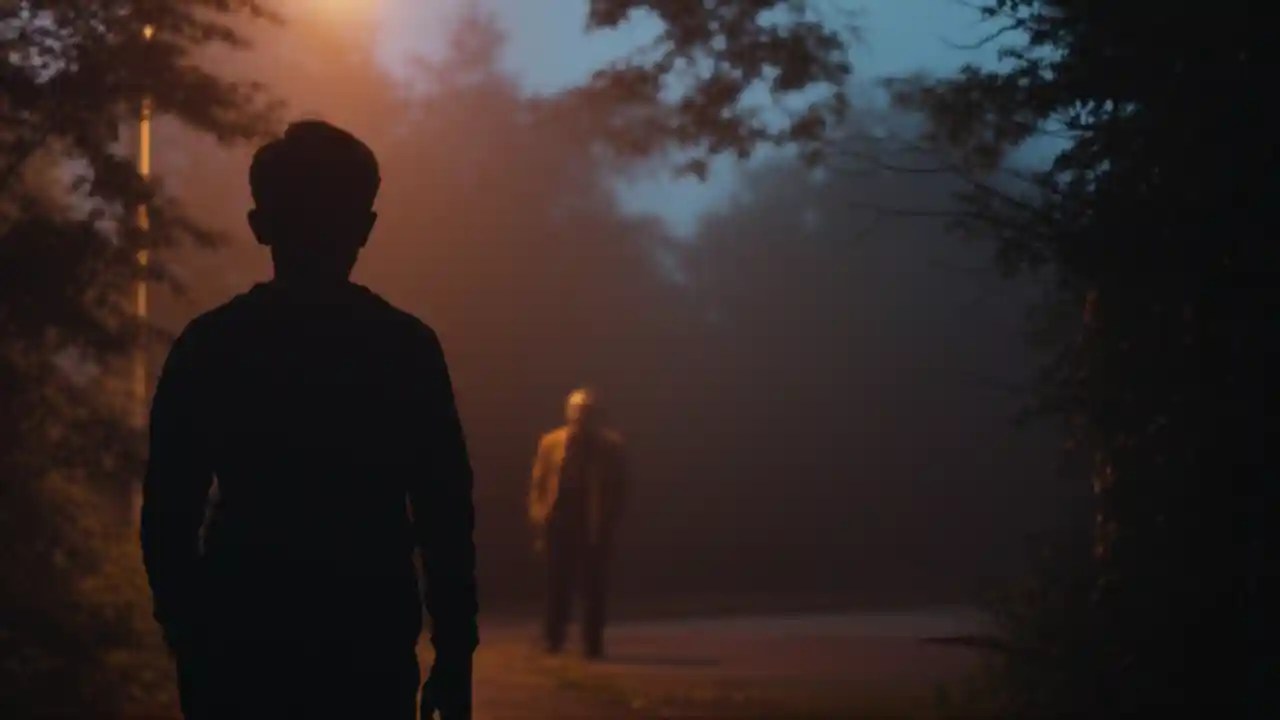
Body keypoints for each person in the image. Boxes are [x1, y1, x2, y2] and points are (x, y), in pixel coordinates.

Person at [141, 120, 478, 720]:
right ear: (365, 228)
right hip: (366, 644)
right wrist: (454, 655)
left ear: (260, 225)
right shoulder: (405, 349)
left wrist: (189, 634)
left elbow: (168, 512)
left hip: (242, 643)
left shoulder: (211, 346)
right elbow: (444, 513)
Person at [528, 388, 628, 658]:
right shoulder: (551, 442)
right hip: (559, 523)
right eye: (577, 411)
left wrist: (609, 521)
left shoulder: (610, 447)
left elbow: (620, 489)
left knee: (593, 587)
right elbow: (539, 482)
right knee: (556, 584)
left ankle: (592, 643)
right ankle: (553, 638)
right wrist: (539, 517)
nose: (580, 417)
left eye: (586, 412)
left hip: (591, 525)